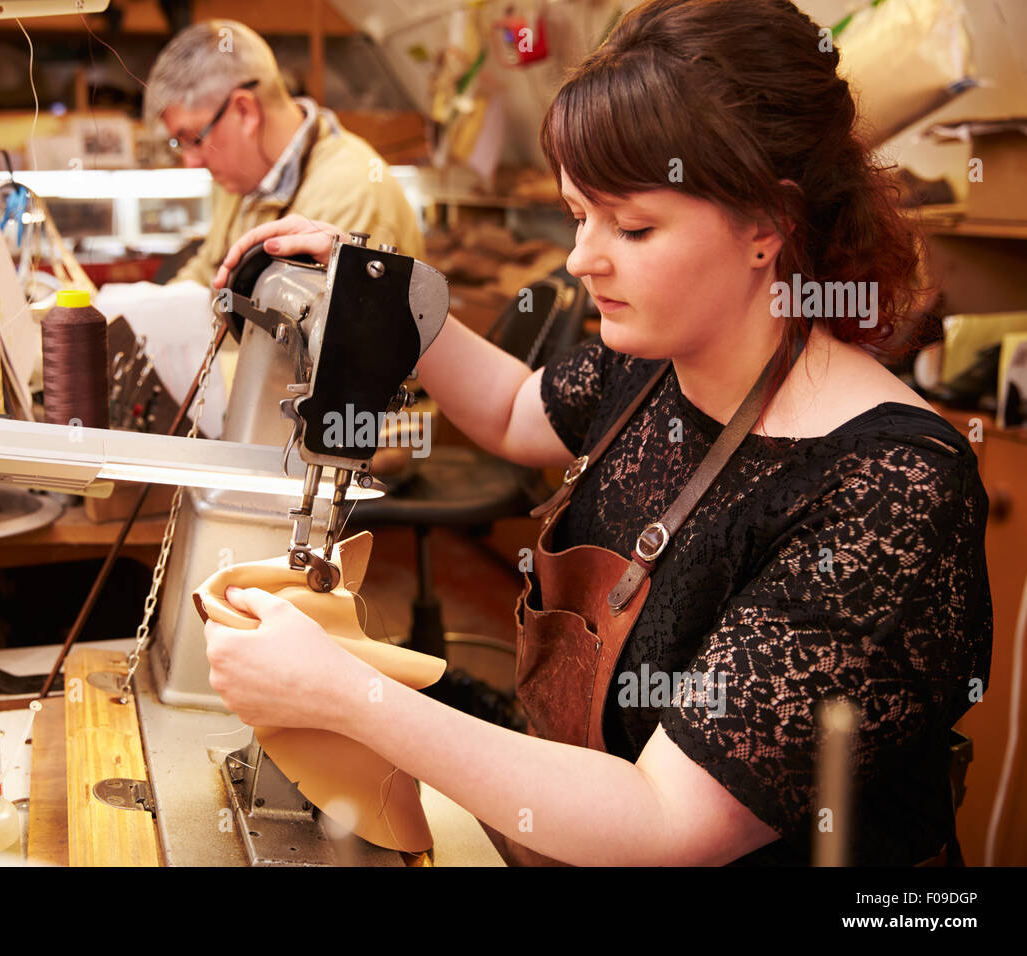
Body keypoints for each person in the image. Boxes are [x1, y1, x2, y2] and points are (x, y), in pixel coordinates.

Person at [201, 0, 993, 866]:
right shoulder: (657, 361)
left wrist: (344, 696)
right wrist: (381, 289)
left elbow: (668, 821)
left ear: (769, 224)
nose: (582, 259)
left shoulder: (888, 489)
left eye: (633, 226)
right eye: (580, 216)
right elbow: (511, 410)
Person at [145, 19, 424, 289]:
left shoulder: (355, 192)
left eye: (193, 138)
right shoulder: (245, 178)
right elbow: (207, 273)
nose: (191, 161)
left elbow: (320, 331)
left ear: (245, 111)